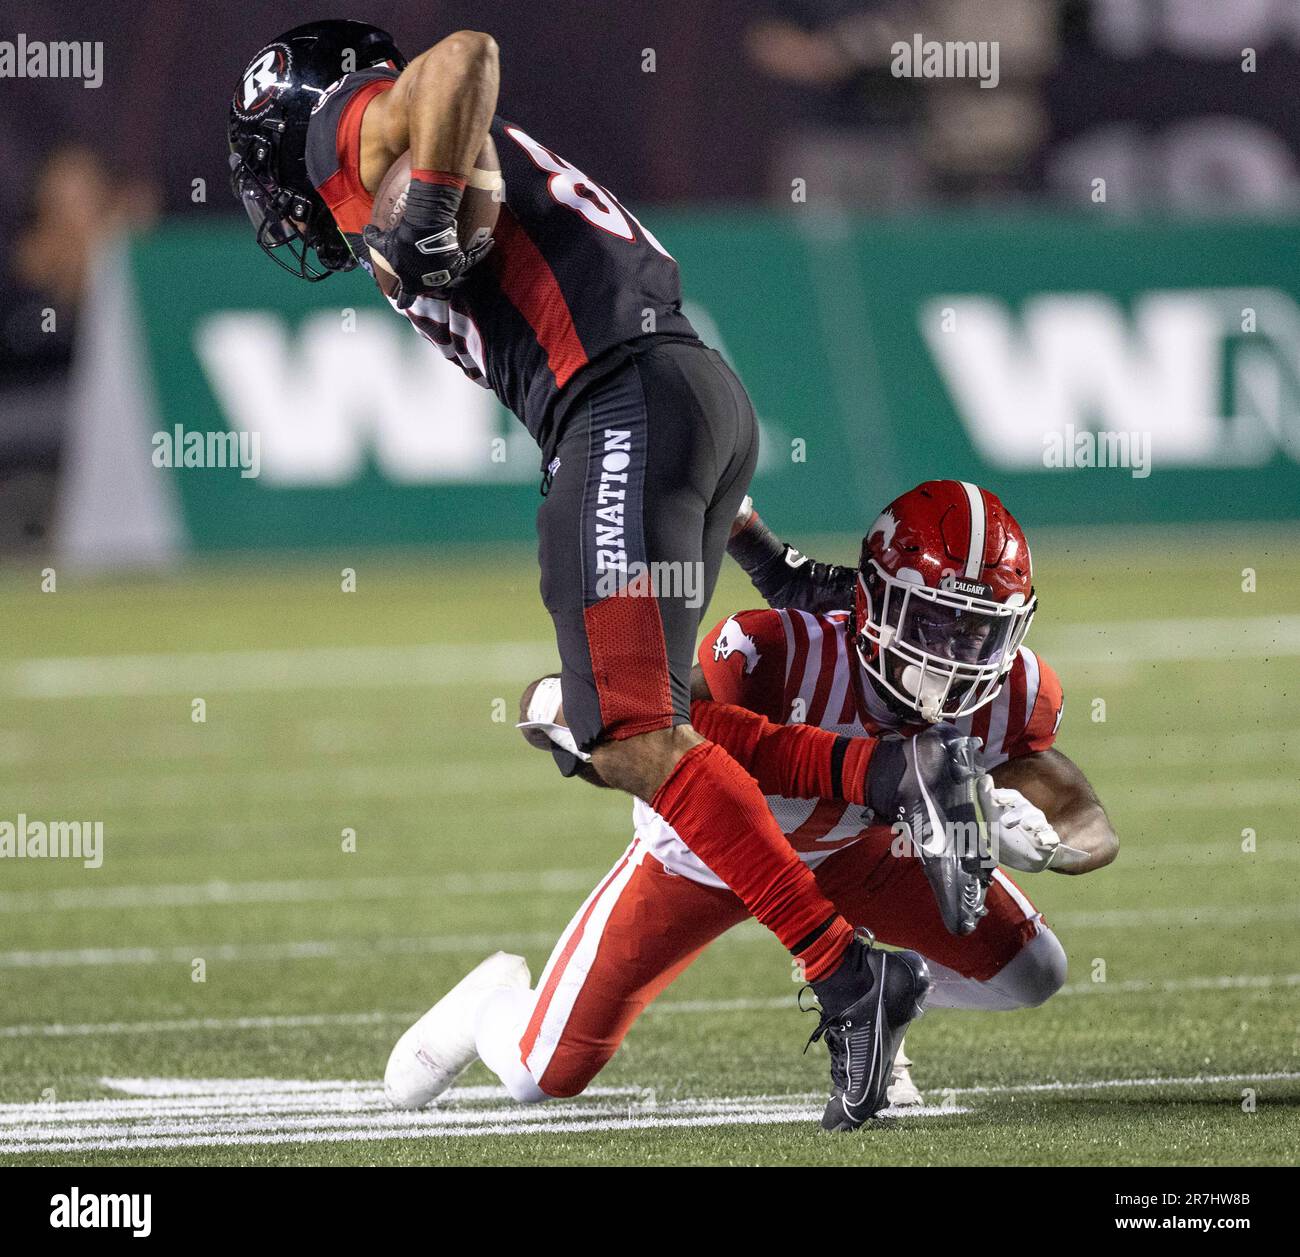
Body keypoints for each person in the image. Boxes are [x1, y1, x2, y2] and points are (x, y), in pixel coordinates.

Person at [384, 481, 1118, 1129]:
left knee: (1035, 969)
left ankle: (879, 1003)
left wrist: (1050, 846)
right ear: (880, 603)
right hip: (704, 858)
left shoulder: (1012, 691)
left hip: (858, 857)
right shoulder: (778, 651)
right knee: (539, 1072)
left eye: (981, 629)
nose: (958, 652)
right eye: (935, 622)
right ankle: (493, 1001)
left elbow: (1084, 812)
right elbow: (653, 735)